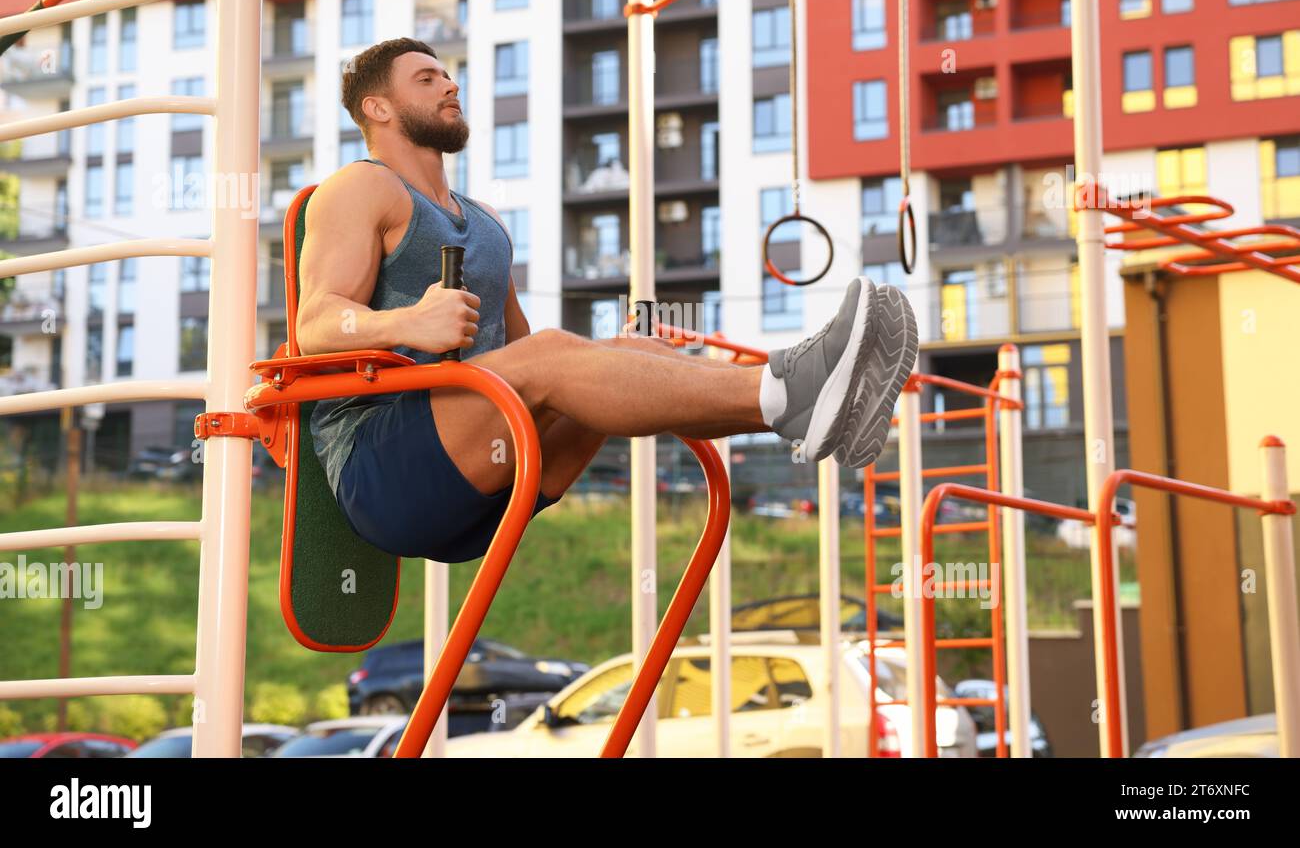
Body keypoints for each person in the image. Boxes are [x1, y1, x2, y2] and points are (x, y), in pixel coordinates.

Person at [298, 37, 918, 564]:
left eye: (449, 75)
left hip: (492, 477)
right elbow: (316, 322)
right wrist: (410, 320)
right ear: (376, 107)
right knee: (550, 357)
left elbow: (520, 357)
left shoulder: (484, 221)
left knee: (633, 344)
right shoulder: (360, 187)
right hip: (383, 472)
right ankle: (793, 385)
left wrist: (623, 365)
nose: (449, 85)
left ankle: (799, 407)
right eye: (427, 78)